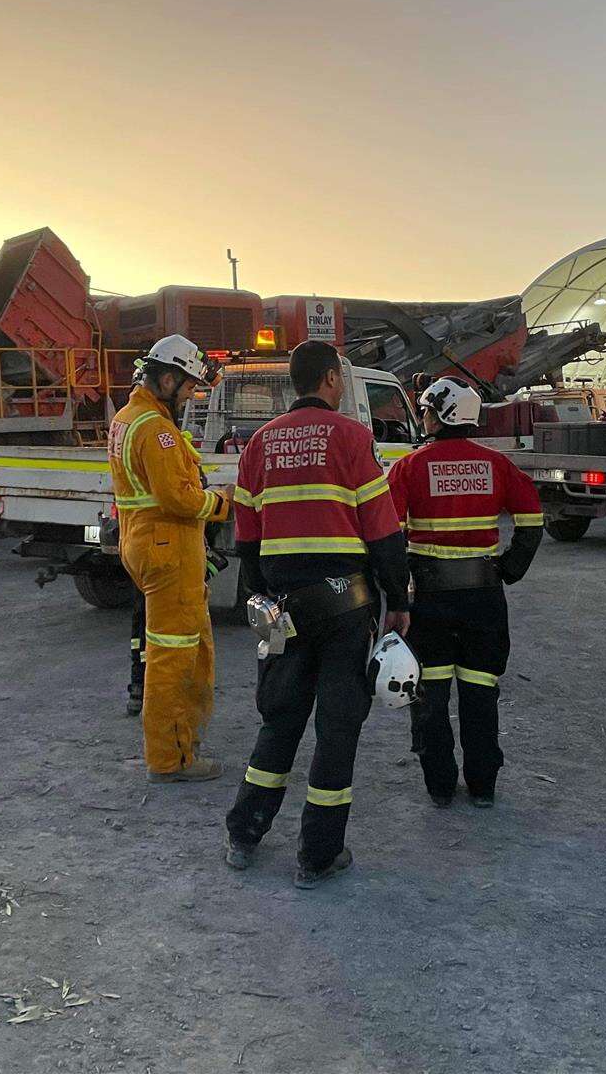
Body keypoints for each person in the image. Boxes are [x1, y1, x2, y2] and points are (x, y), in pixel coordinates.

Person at [223, 340, 411, 888]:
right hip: (345, 609)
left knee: (279, 720)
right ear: (331, 379)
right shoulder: (354, 439)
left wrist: (264, 604)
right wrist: (398, 601)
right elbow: (382, 531)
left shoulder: (258, 444)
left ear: (293, 382)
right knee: (337, 728)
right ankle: (318, 856)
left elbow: (247, 540)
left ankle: (244, 834)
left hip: (283, 611)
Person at [386, 377, 543, 808]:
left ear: (439, 414)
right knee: (480, 691)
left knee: (430, 696)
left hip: (430, 601)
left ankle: (439, 785)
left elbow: (389, 536)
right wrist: (510, 568)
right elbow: (532, 520)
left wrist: (395, 593)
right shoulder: (497, 464)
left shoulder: (410, 466)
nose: (422, 417)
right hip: (485, 598)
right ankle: (483, 786)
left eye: (425, 410)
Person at [109, 335, 232, 782]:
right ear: (167, 379)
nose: (192, 396)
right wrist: (221, 502)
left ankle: (186, 741)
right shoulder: (155, 430)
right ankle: (171, 759)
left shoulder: (129, 417)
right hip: (169, 549)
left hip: (148, 544)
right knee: (174, 656)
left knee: (190, 647)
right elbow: (179, 498)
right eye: (189, 388)